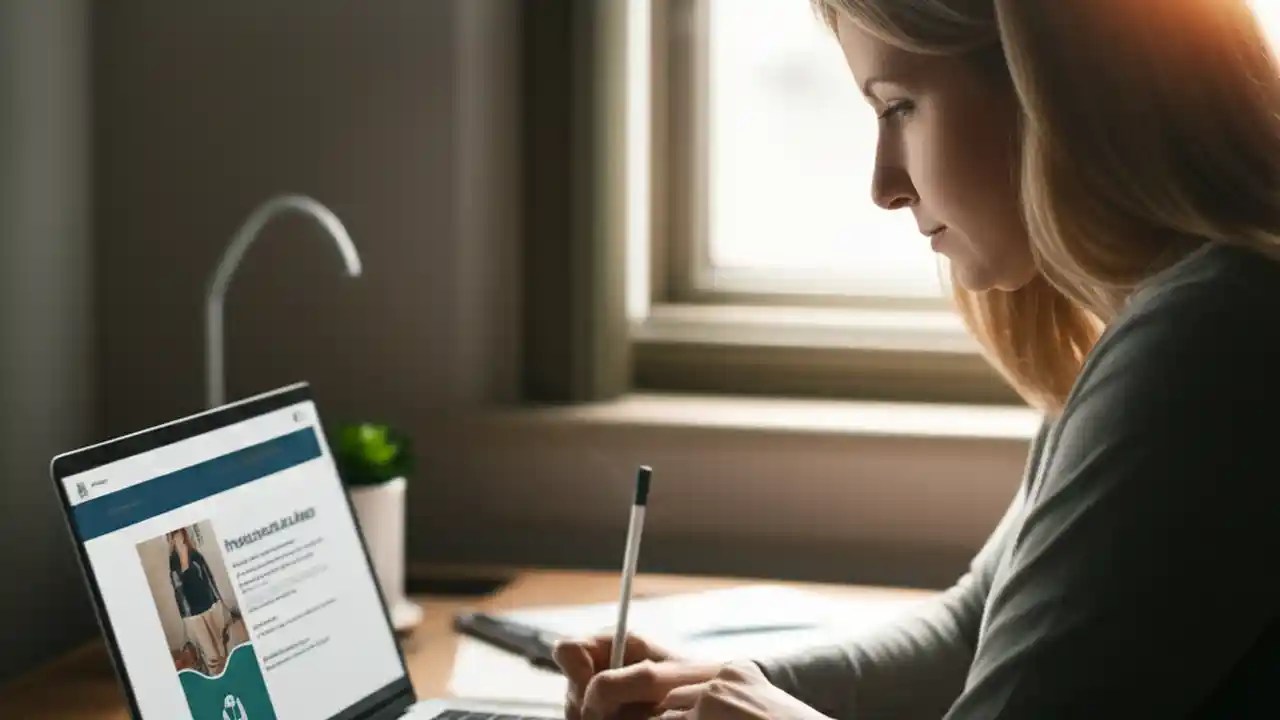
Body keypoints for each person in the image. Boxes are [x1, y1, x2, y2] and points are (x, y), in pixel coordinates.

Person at [553, 0, 1280, 717]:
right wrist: (713, 687)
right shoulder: (1169, 318)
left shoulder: (1209, 341)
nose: (883, 186)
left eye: (898, 106)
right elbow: (973, 635)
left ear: (1046, 86)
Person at [168, 527, 229, 674]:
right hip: (193, 613)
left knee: (220, 644)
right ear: (172, 542)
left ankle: (227, 671)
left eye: (181, 537)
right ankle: (215, 675)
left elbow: (209, 579)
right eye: (175, 539)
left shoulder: (195, 555)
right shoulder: (173, 562)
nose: (179, 541)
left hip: (209, 603)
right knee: (208, 651)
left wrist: (219, 600)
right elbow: (178, 589)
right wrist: (184, 616)